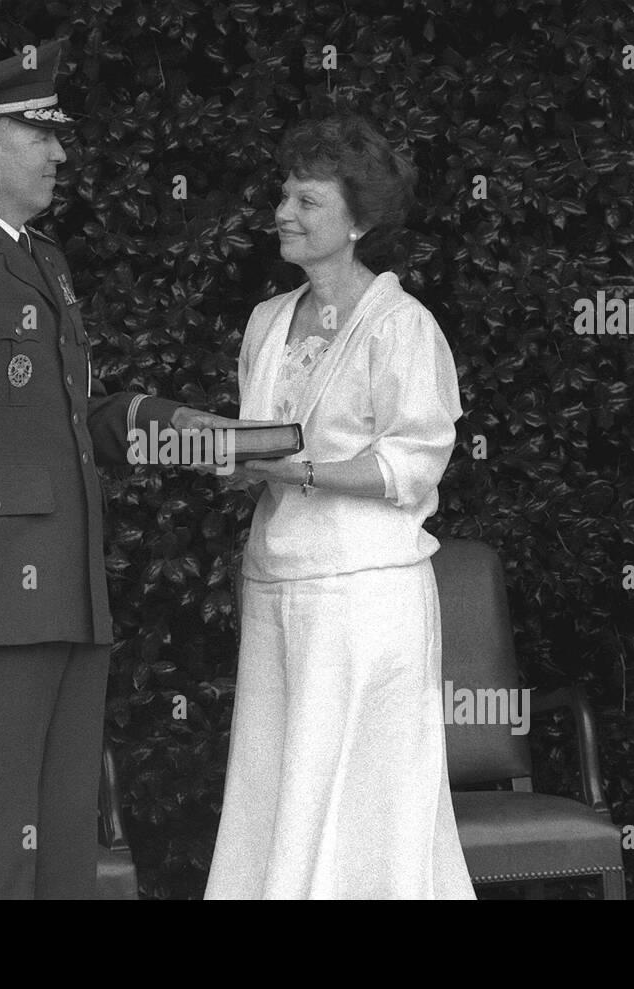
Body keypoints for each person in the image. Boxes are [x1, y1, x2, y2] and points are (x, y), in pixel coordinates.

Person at [0, 38, 244, 899]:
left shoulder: (43, 259)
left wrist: (181, 429)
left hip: (65, 578)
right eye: (40, 134)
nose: (61, 152)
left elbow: (67, 417)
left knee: (62, 840)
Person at [204, 112, 475, 899]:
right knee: (272, 788)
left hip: (366, 596)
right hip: (274, 583)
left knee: (366, 803)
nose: (284, 211)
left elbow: (410, 466)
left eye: (309, 200)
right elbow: (262, 453)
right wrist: (223, 456)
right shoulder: (265, 320)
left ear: (360, 220)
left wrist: (299, 470)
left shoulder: (402, 327)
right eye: (284, 194)